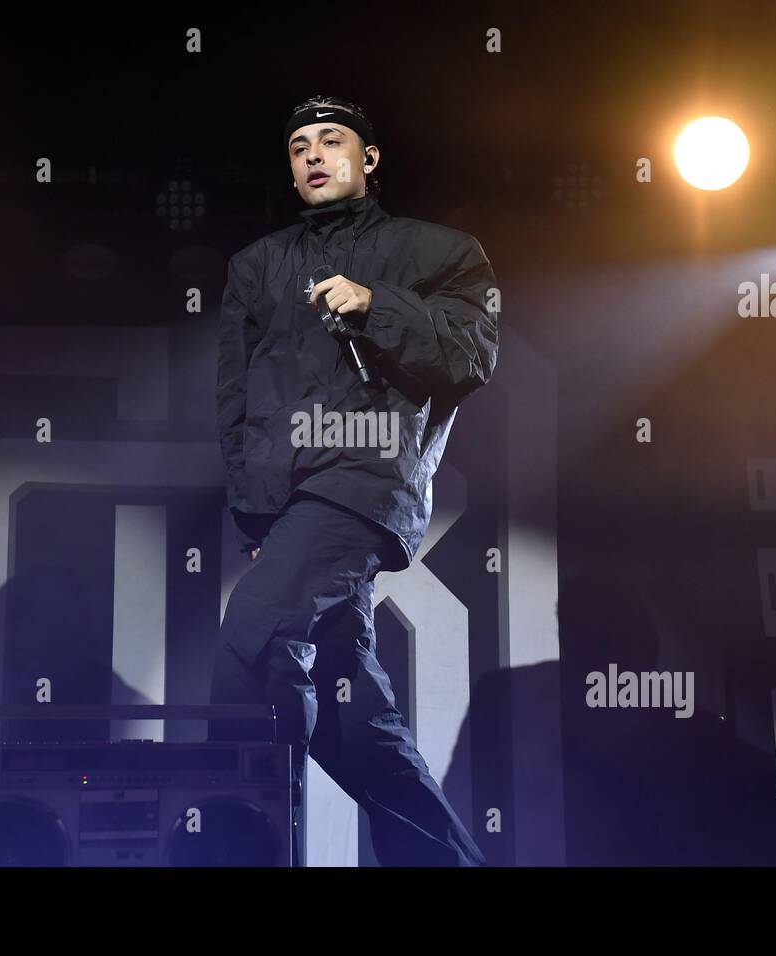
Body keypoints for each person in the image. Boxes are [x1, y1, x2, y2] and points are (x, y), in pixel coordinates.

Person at [208, 94, 499, 866]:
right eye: (298, 143)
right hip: (288, 508)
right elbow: (235, 399)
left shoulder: (438, 251)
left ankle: (238, 848)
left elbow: (473, 357)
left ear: (369, 158)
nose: (311, 155)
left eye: (330, 141)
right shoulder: (257, 265)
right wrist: (256, 522)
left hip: (362, 486)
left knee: (251, 642)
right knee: (353, 719)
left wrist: (379, 304)